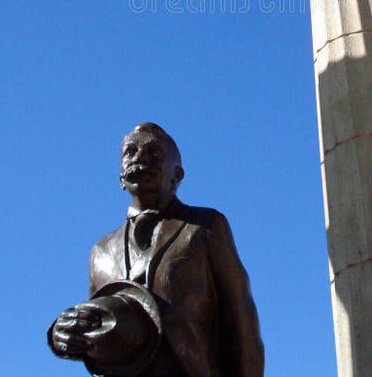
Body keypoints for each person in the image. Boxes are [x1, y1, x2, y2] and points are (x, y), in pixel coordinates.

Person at [49, 123, 264, 377]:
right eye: (130, 152)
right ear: (120, 178)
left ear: (177, 175)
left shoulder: (204, 227)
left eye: (154, 153)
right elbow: (98, 331)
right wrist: (63, 334)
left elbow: (242, 324)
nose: (139, 158)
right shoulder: (101, 251)